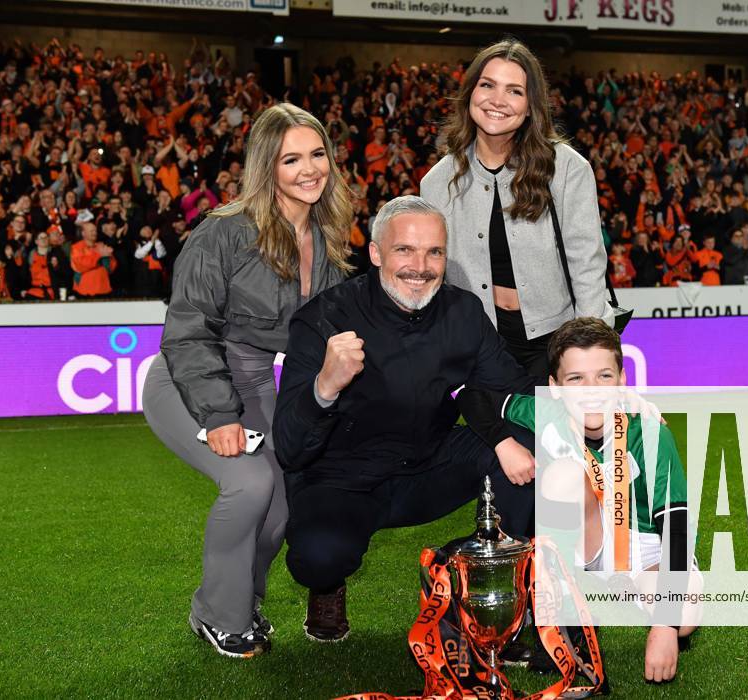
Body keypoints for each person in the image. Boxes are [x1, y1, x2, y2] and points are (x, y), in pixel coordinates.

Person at [273, 195, 537, 643]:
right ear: (375, 253)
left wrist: (609, 411)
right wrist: (325, 386)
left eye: (434, 251)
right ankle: (327, 586)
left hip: (429, 463)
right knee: (317, 557)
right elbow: (290, 447)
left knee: (530, 446)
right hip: (343, 480)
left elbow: (513, 389)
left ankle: (501, 593)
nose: (421, 266)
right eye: (405, 250)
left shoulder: (462, 311)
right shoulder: (323, 319)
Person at [141, 103, 353, 658]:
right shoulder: (224, 232)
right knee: (250, 485)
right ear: (267, 166)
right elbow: (186, 332)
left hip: (259, 381)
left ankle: (241, 603)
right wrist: (220, 415)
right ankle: (220, 614)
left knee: (280, 507)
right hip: (190, 379)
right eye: (292, 159)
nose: (310, 169)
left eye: (317, 154)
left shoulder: (327, 236)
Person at [457, 317, 701, 683]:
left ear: (622, 381)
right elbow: (469, 393)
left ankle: (619, 594)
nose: (591, 390)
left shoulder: (648, 433)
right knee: (565, 477)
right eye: (576, 379)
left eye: (604, 376)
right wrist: (502, 443)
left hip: (644, 549)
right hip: (587, 541)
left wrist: (664, 627)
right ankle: (569, 614)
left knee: (682, 619)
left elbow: (676, 533)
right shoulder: (546, 412)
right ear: (554, 387)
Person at [421, 39, 613, 379]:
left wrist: (589, 352)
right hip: (480, 347)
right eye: (487, 85)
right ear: (470, 94)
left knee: (556, 433)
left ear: (530, 106)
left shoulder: (567, 168)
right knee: (500, 434)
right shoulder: (436, 183)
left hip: (555, 343)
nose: (497, 100)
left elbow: (587, 265)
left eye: (514, 91)